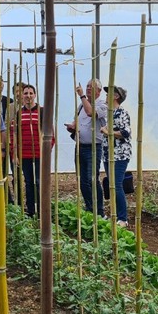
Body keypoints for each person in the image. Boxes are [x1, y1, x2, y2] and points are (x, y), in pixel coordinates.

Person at [64, 79, 107, 217]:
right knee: (82, 180)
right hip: (80, 146)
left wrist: (82, 96)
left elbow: (91, 113)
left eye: (92, 87)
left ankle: (99, 211)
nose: (88, 89)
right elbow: (76, 121)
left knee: (92, 179)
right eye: (87, 86)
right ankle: (90, 208)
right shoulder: (81, 106)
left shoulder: (103, 105)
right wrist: (72, 128)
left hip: (93, 147)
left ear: (99, 91)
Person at [12, 84, 50, 218]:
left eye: (31, 93)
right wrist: (15, 154)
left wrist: (47, 150)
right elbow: (15, 135)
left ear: (35, 95)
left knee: (39, 181)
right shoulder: (18, 114)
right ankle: (31, 209)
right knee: (29, 182)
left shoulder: (42, 111)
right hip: (25, 154)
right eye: (26, 93)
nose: (28, 96)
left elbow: (50, 133)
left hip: (39, 154)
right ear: (22, 96)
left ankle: (42, 209)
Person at [99, 86, 132, 226]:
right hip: (108, 154)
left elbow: (125, 133)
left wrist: (107, 132)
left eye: (109, 94)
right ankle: (117, 215)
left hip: (120, 154)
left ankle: (123, 218)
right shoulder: (109, 113)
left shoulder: (122, 113)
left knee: (116, 184)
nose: (106, 96)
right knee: (112, 185)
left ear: (116, 96)